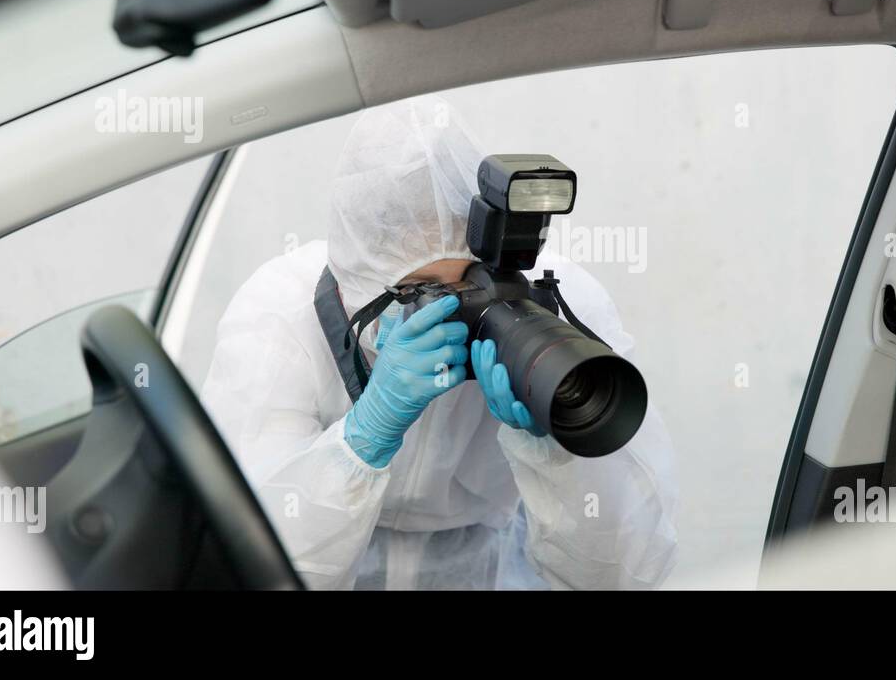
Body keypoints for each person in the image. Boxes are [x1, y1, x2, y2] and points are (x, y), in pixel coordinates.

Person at [200, 96, 678, 590]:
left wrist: (560, 451)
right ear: (355, 285)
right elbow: (253, 565)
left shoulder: (557, 308)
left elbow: (624, 574)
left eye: (472, 286)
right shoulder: (280, 314)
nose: (454, 313)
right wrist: (361, 438)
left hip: (493, 571)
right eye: (418, 292)